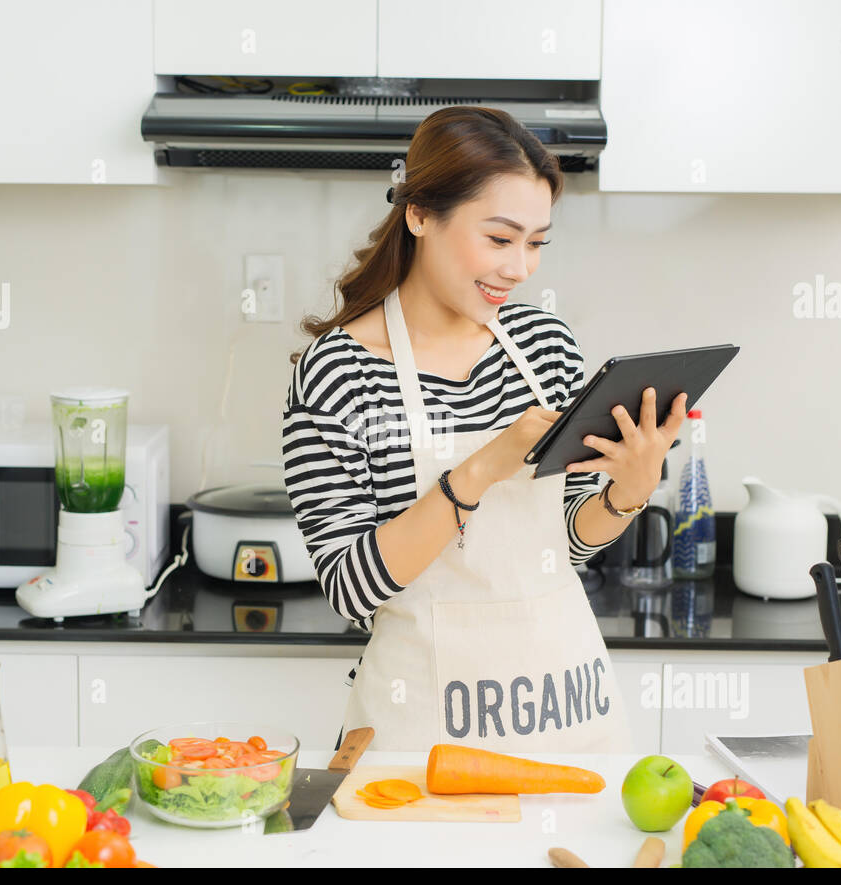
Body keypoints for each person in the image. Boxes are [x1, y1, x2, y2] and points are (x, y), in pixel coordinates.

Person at [282, 107, 687, 753]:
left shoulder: (546, 344)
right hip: (418, 738)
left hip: (567, 717)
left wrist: (627, 492)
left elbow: (569, 542)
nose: (521, 268)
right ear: (419, 215)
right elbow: (351, 588)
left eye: (536, 243)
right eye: (500, 239)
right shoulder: (338, 374)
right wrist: (478, 470)